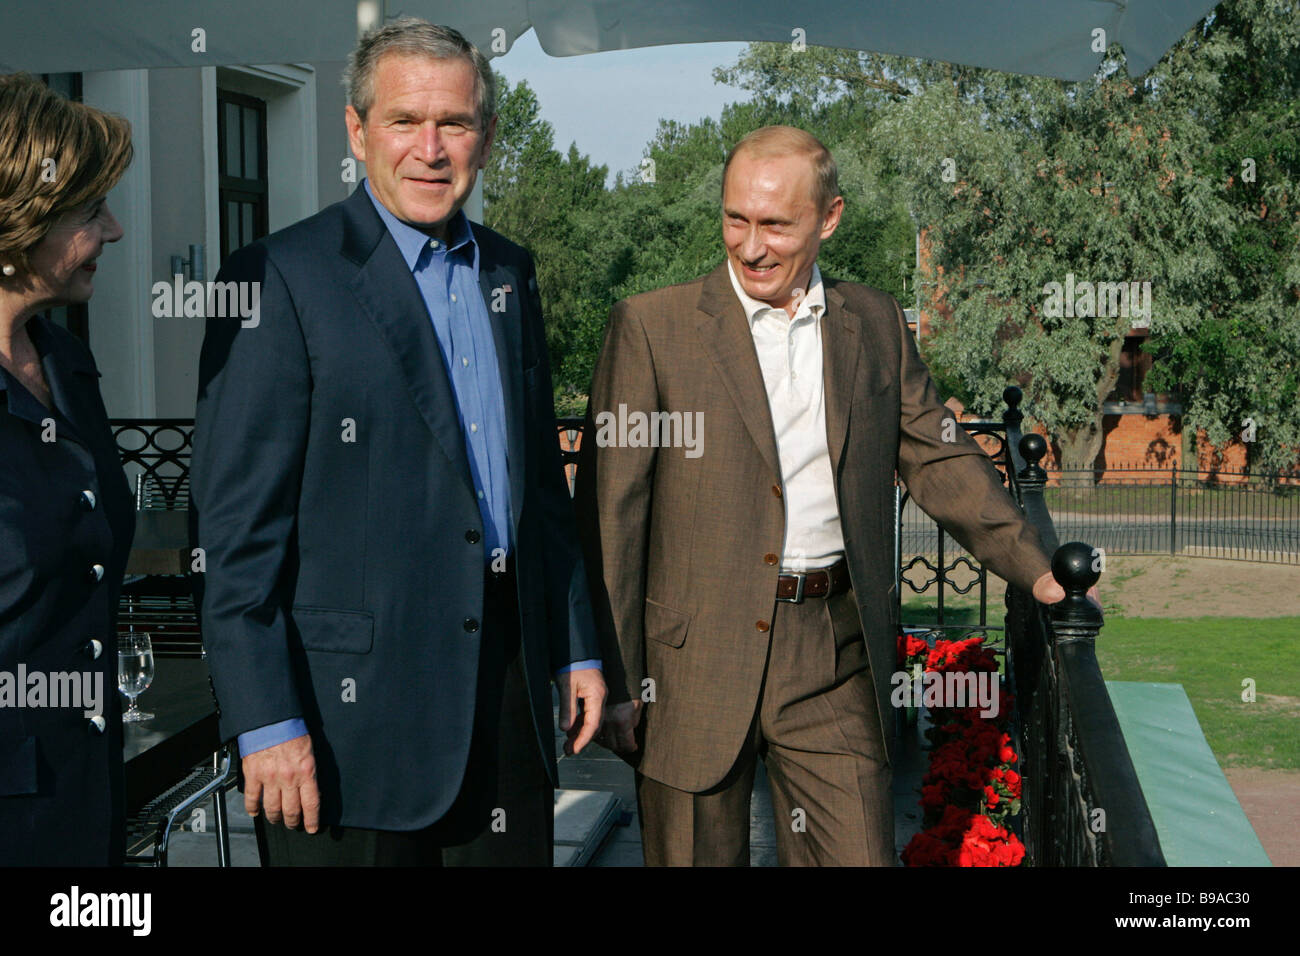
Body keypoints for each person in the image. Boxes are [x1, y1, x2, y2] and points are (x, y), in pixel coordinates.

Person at [575, 125, 1071, 866]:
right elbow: (611, 514)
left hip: (834, 654)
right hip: (687, 668)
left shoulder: (874, 322)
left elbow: (938, 453)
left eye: (775, 225)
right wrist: (616, 678)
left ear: (829, 218)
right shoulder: (651, 327)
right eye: (735, 219)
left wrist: (1038, 568)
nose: (750, 247)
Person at [191, 18, 605, 866]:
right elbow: (234, 536)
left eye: (454, 123)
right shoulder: (279, 278)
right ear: (357, 131)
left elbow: (541, 489)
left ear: (487, 135)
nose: (430, 149)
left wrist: (576, 649)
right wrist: (265, 720)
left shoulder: (510, 272)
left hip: (507, 697)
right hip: (344, 728)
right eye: (404, 121)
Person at [0, 72, 134, 866]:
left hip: (85, 799)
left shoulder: (66, 363)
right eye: (91, 212)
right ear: (20, 217)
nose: (114, 230)